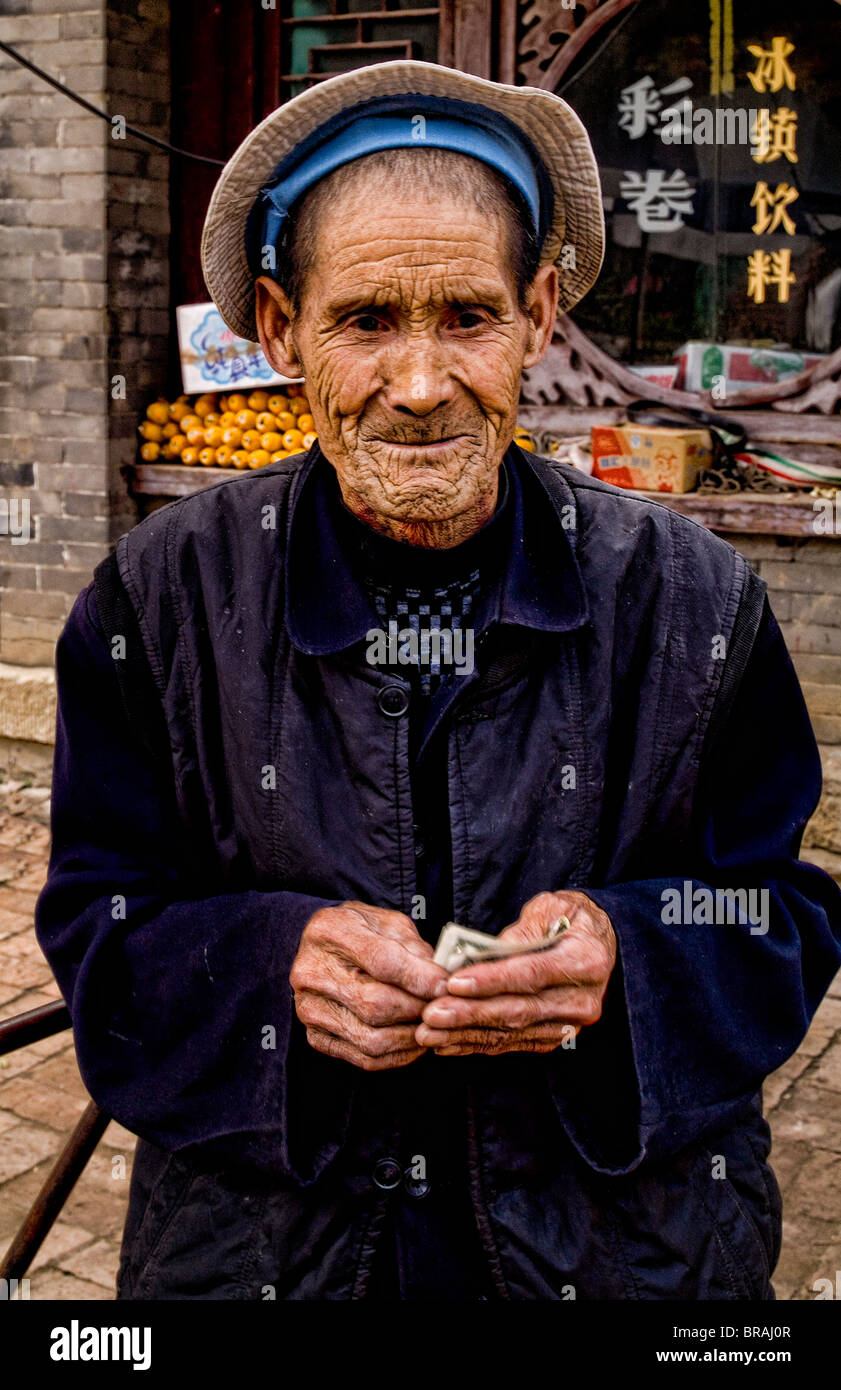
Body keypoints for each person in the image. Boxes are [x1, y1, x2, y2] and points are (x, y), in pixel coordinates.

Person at [36, 59, 841, 1301]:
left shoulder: (691, 604)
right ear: (277, 327)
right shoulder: (158, 603)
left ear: (539, 311)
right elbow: (101, 929)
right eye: (364, 321)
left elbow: (774, 918)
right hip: (267, 1264)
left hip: (620, 1256)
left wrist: (627, 957)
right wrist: (271, 966)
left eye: (466, 315)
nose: (419, 388)